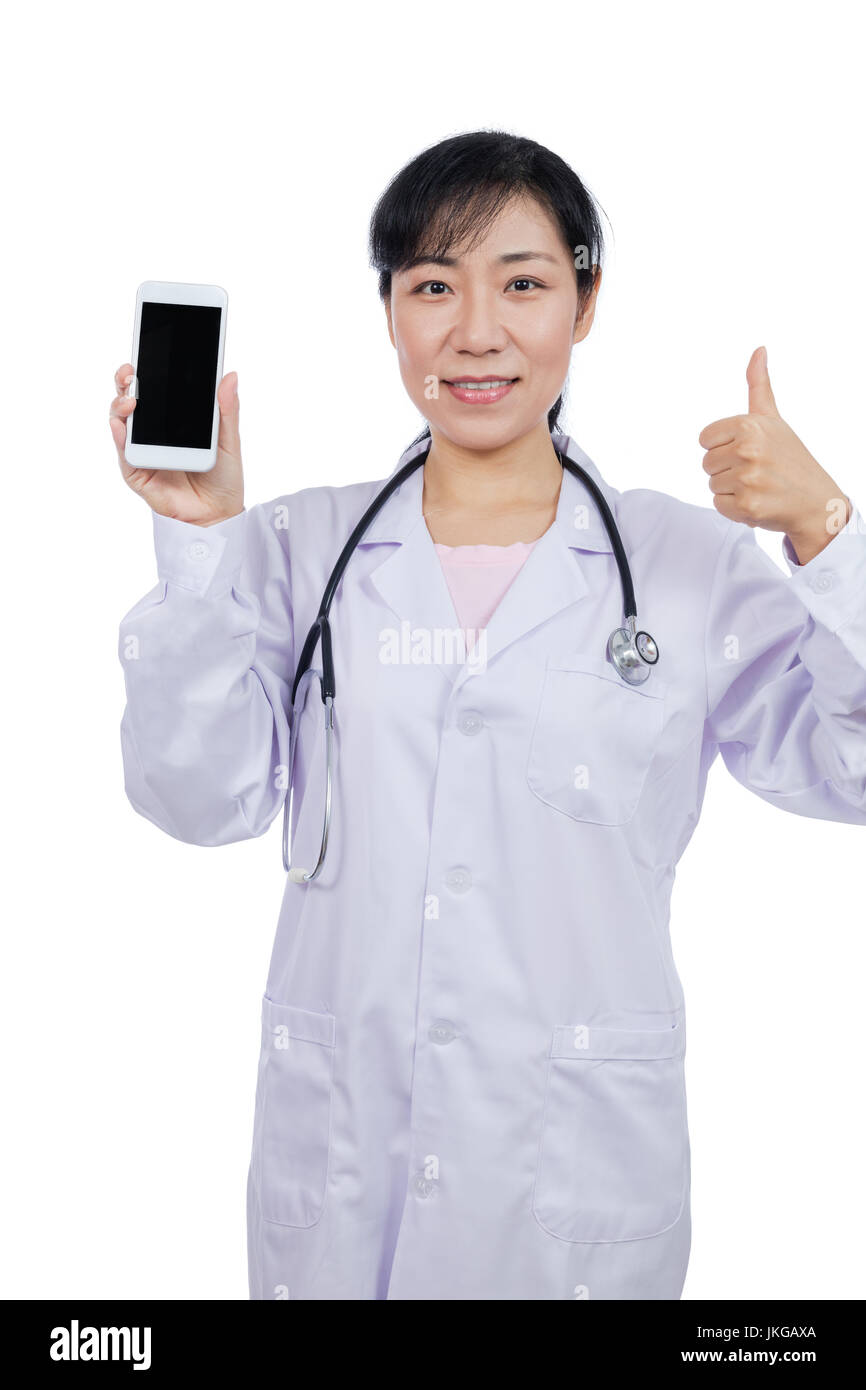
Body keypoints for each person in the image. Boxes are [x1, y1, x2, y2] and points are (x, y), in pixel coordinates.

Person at [111, 131, 866, 1301]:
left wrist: (825, 529)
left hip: (568, 1184)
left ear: (586, 298)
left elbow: (850, 767)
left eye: (521, 282)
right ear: (389, 313)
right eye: (430, 285)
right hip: (341, 1166)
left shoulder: (684, 566)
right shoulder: (296, 548)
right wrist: (199, 544)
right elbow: (195, 799)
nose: (475, 330)